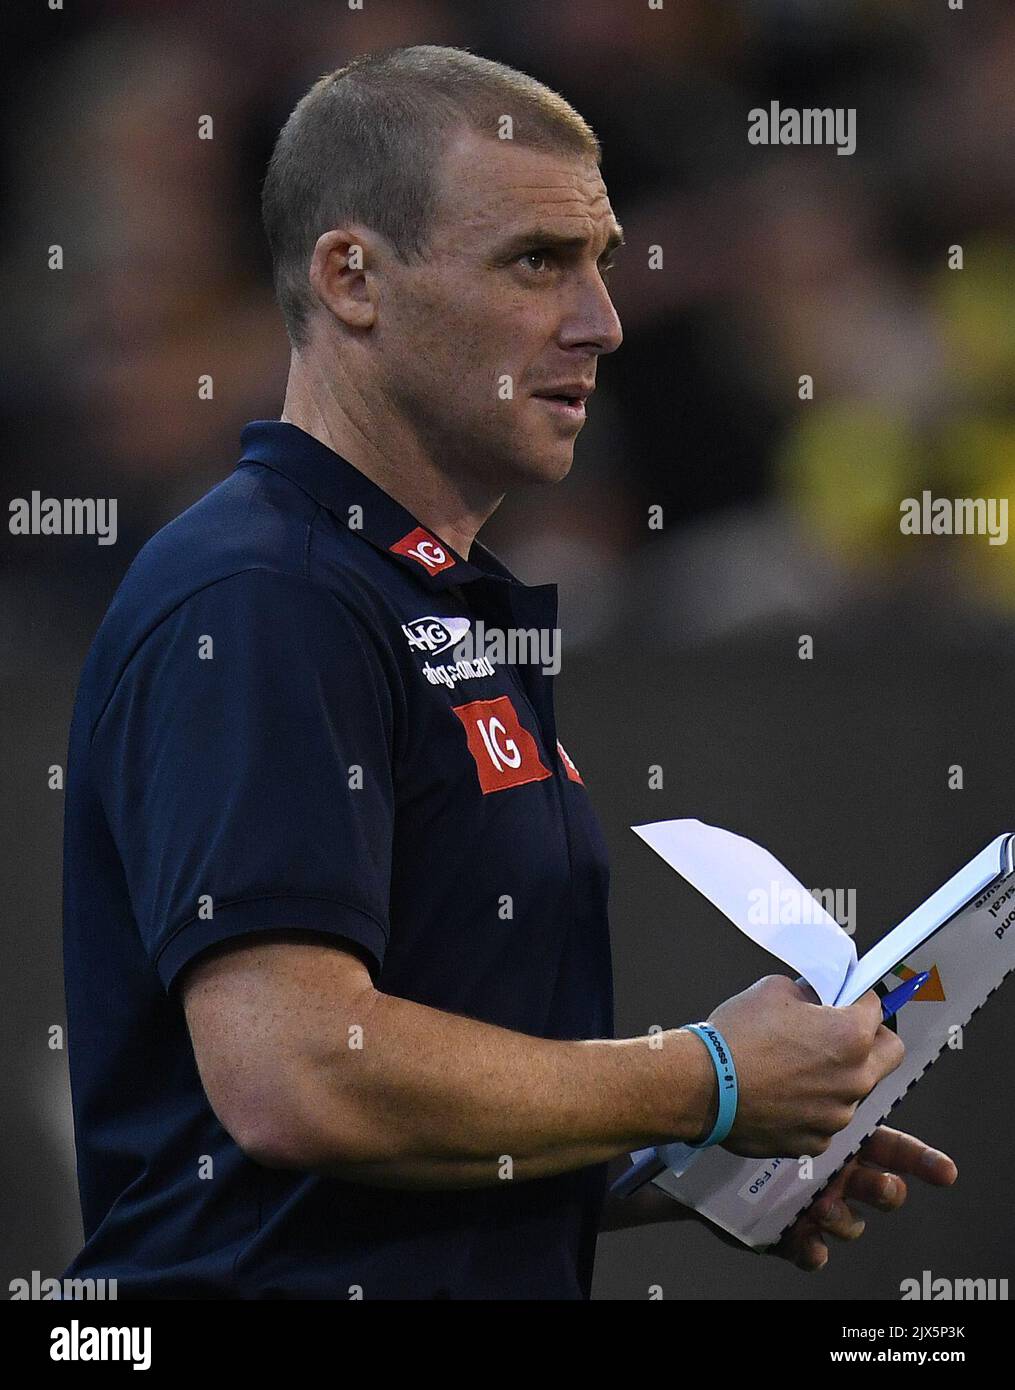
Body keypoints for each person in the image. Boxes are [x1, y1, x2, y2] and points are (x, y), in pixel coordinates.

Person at [61, 45, 955, 1300]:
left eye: (598, 260)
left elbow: (360, 1145)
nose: (603, 320)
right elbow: (295, 1074)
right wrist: (706, 1075)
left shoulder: (412, 596)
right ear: (351, 278)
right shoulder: (263, 597)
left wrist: (676, 1155)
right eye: (537, 261)